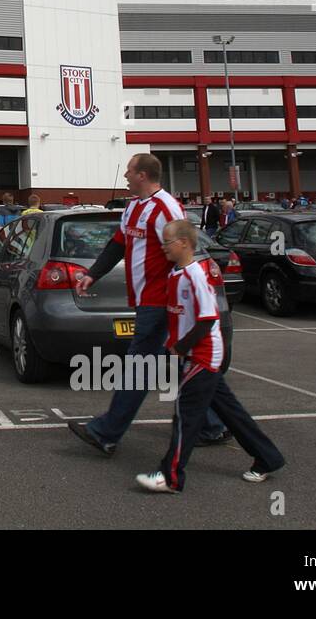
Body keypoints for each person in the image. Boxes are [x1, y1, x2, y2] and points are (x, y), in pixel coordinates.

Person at [68, 153, 227, 454]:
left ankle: (107, 432)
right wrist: (93, 274)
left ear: (142, 175)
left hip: (162, 301)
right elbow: (119, 244)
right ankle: (213, 424)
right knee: (186, 362)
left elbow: (183, 250)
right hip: (145, 299)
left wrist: (182, 297)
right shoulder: (132, 207)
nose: (125, 175)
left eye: (129, 171)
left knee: (140, 365)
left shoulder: (166, 207)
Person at [135, 219, 285, 493]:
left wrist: (181, 348)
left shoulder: (196, 276)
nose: (164, 247)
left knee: (185, 415)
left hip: (202, 356)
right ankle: (268, 457)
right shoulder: (176, 275)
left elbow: (207, 319)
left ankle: (171, 477)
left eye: (168, 242)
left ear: (183, 243)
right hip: (194, 356)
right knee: (231, 412)